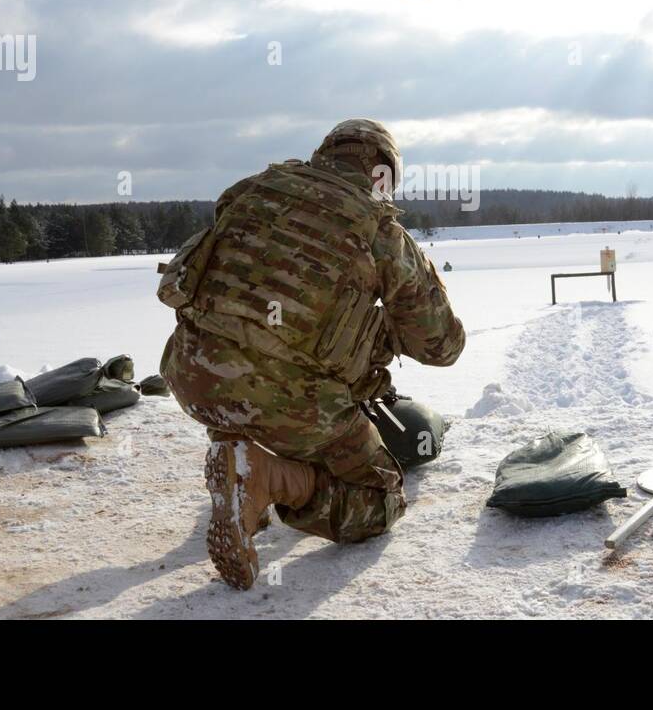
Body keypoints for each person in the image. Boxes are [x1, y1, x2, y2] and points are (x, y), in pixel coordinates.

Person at [158, 119, 466, 589]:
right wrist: (383, 331)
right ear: (382, 174)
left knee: (245, 337)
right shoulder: (381, 232)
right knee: (380, 501)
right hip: (290, 403)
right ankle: (266, 478)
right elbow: (442, 346)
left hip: (191, 378)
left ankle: (234, 453)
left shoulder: (250, 192)